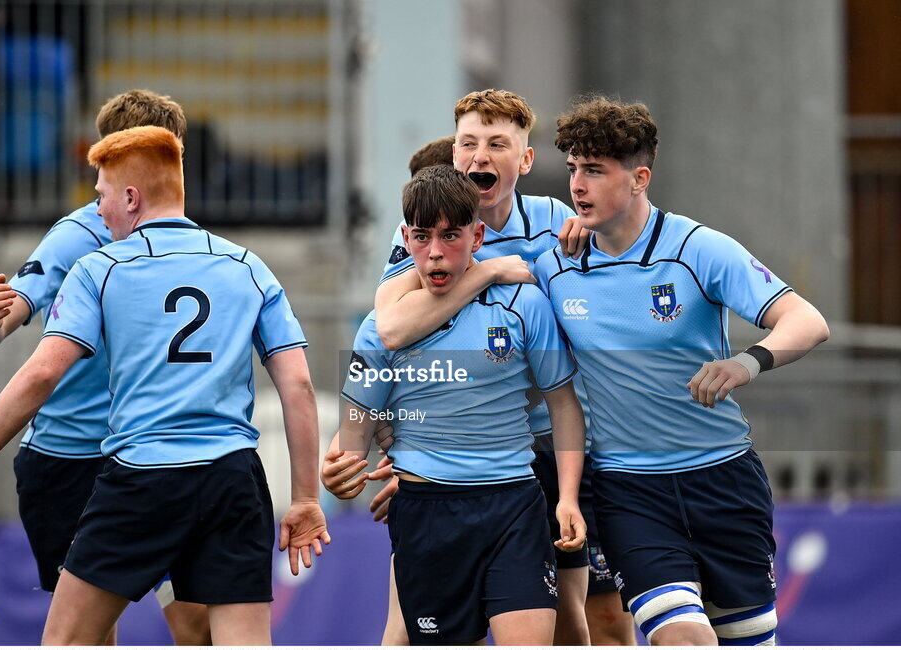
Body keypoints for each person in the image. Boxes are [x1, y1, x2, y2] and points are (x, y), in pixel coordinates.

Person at [0, 126, 330, 645]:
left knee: (68, 641)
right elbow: (297, 384)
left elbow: (43, 371)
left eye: (101, 197)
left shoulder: (99, 268)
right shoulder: (247, 266)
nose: (98, 211)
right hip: (233, 479)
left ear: (131, 197)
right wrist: (304, 499)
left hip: (143, 477)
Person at [534, 96, 830, 646]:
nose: (577, 184)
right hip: (628, 490)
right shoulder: (554, 265)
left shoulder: (698, 248)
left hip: (724, 482)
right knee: (683, 639)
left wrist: (747, 362)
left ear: (640, 177)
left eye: (595, 170)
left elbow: (807, 320)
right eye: (574, 168)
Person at [368, 89, 629, 644]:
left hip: (553, 444)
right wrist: (487, 273)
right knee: (408, 623)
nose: (479, 156)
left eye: (496, 144)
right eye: (468, 143)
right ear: (454, 154)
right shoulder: (425, 231)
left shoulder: (561, 220)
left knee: (586, 617)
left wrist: (595, 242)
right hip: (464, 455)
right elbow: (391, 326)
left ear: (525, 161)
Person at [0, 89, 211, 645]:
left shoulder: (181, 238)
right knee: (91, 633)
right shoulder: (77, 235)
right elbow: (6, 319)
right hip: (72, 462)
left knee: (195, 621)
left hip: (150, 458)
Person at [330, 164, 586, 645]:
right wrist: (340, 468)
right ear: (405, 238)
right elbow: (354, 428)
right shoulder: (380, 329)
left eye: (451, 235)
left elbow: (564, 405)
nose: (436, 252)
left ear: (478, 234)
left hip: (513, 504)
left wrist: (568, 497)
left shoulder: (522, 305)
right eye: (423, 236)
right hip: (427, 513)